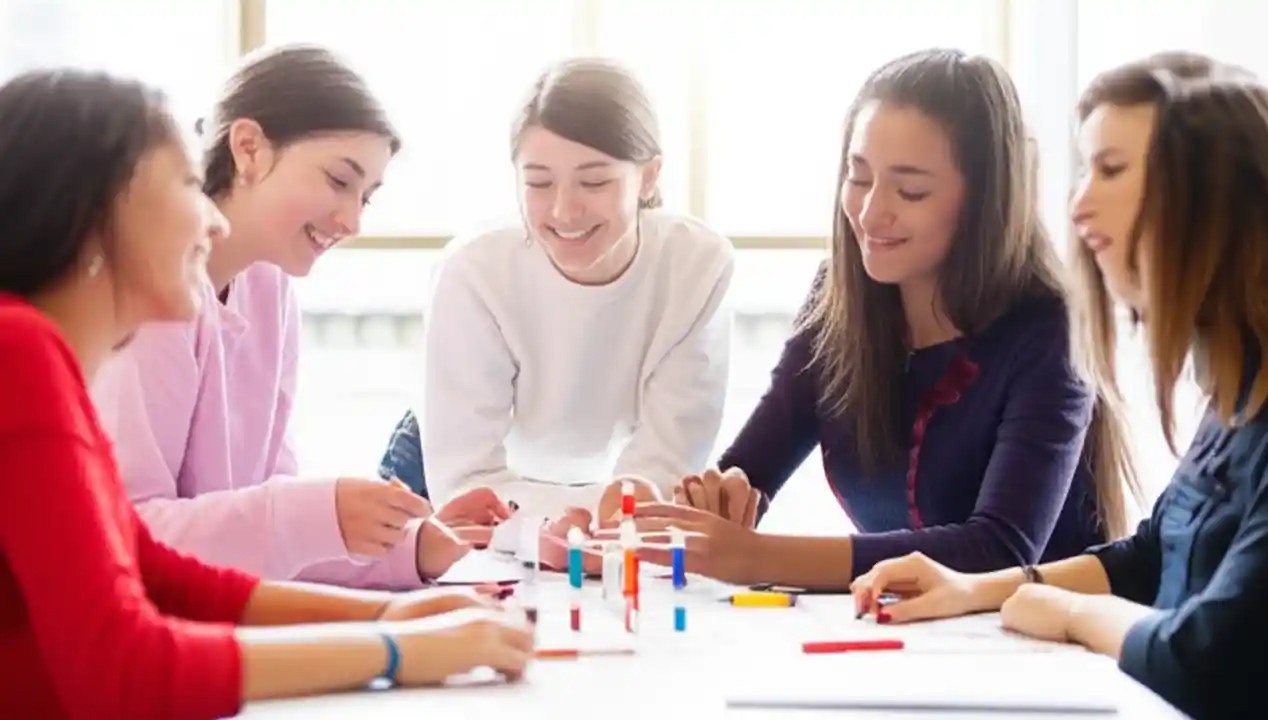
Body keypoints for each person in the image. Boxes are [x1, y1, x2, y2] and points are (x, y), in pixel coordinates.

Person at [0, 68, 532, 720]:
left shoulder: (39, 353)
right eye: (192, 184)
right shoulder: (18, 351)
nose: (213, 221)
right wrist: (394, 647)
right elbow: (124, 667)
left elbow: (158, 572)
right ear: (98, 207)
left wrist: (392, 610)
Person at [848, 53, 1268, 720]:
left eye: (1110, 170)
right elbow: (1150, 553)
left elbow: (1205, 659)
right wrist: (975, 589)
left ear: (1212, 195)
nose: (1079, 204)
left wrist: (1072, 612)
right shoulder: (1238, 384)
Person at [636, 48, 1136, 588]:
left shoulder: (1051, 330)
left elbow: (1000, 548)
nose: (871, 213)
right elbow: (747, 474)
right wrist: (715, 503)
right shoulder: (838, 298)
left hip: (1036, 645)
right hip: (906, 639)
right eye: (858, 177)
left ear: (987, 200)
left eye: (910, 190)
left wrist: (755, 556)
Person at [91, 44, 507, 590]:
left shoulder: (269, 286)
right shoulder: (152, 295)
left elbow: (268, 538)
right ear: (249, 149)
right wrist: (318, 514)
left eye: (368, 196)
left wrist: (413, 545)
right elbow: (129, 535)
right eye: (339, 181)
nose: (354, 220)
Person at [379, 57, 734, 552]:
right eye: (539, 183)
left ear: (649, 177)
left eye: (594, 182)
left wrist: (613, 514)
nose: (565, 211)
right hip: (447, 484)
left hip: (607, 507)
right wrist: (606, 514)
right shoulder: (475, 270)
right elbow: (465, 481)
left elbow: (663, 470)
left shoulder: (698, 264)